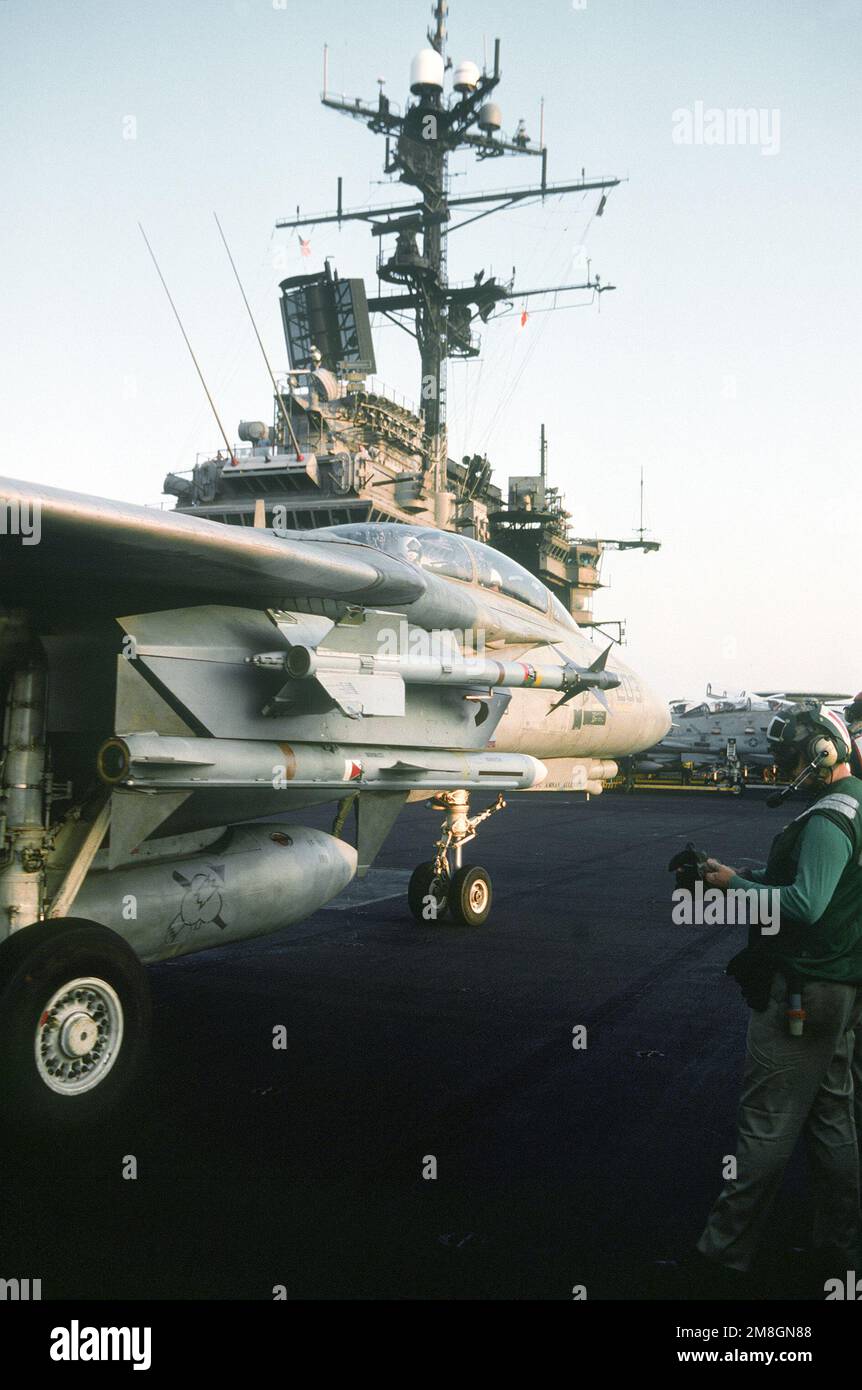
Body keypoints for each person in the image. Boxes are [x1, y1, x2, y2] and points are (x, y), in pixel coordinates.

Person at [694, 703, 862, 1290]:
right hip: (839, 987)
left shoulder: (829, 817)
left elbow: (806, 905)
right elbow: (815, 893)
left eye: (793, 754)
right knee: (831, 1117)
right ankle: (838, 1249)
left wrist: (733, 887)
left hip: (802, 990)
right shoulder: (856, 804)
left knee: (766, 1125)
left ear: (822, 750)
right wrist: (735, 877)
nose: (786, 766)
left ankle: (724, 1252)